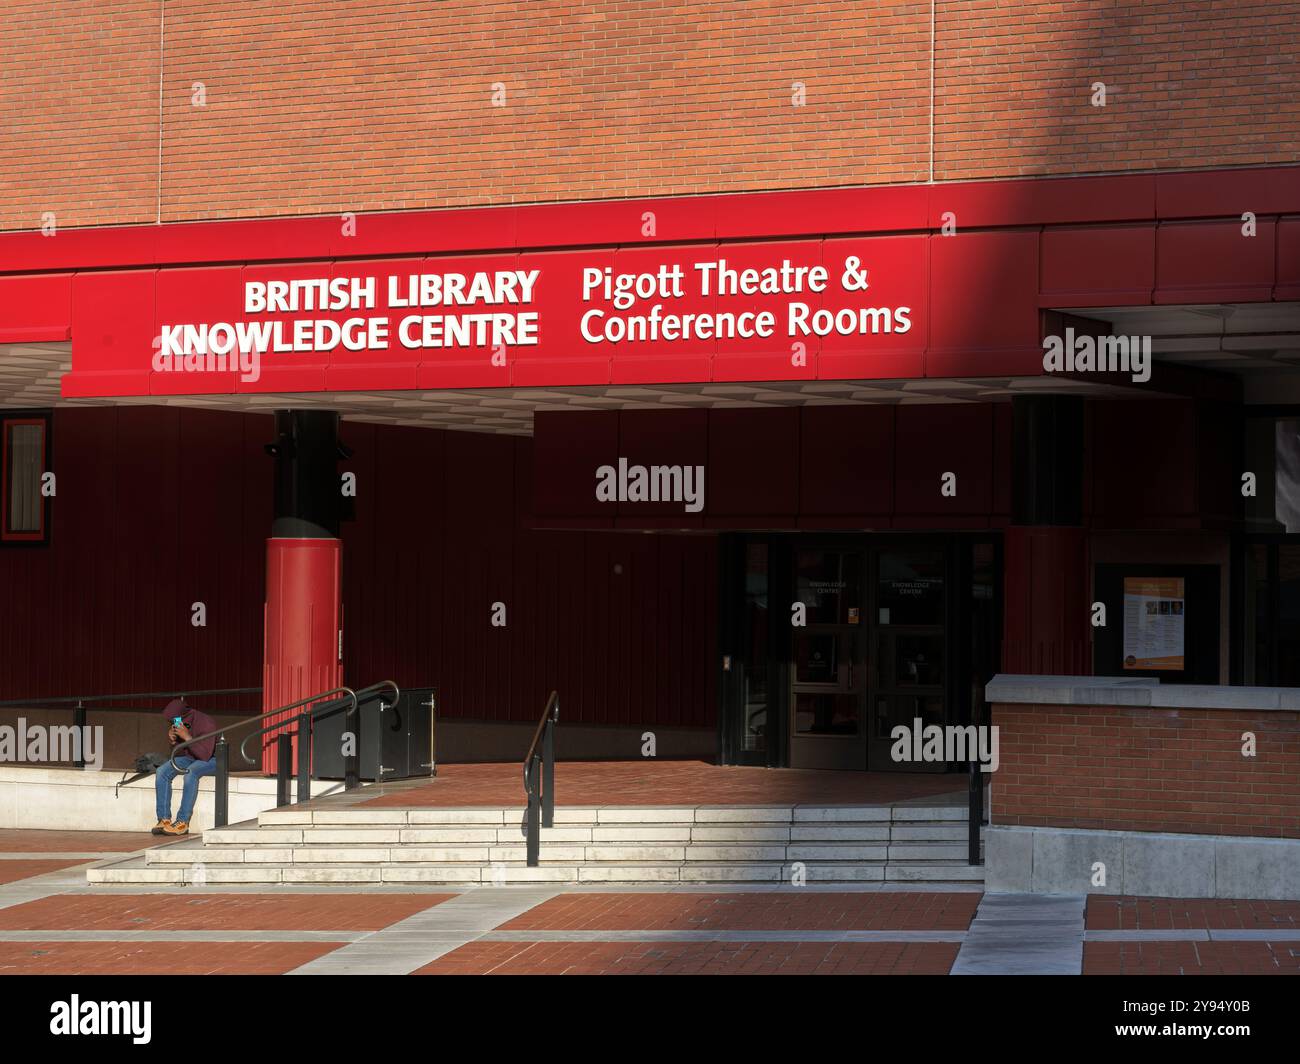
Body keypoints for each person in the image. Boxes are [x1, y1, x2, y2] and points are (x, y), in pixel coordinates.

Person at [153, 697, 218, 836]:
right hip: (190, 757)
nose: (173, 723)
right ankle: (164, 819)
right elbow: (181, 753)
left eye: (174, 720)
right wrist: (173, 740)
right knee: (162, 771)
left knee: (191, 773)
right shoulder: (181, 723)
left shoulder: (206, 722)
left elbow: (204, 754)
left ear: (183, 715)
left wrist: (187, 737)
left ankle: (183, 822)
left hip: (212, 759)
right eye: (170, 721)